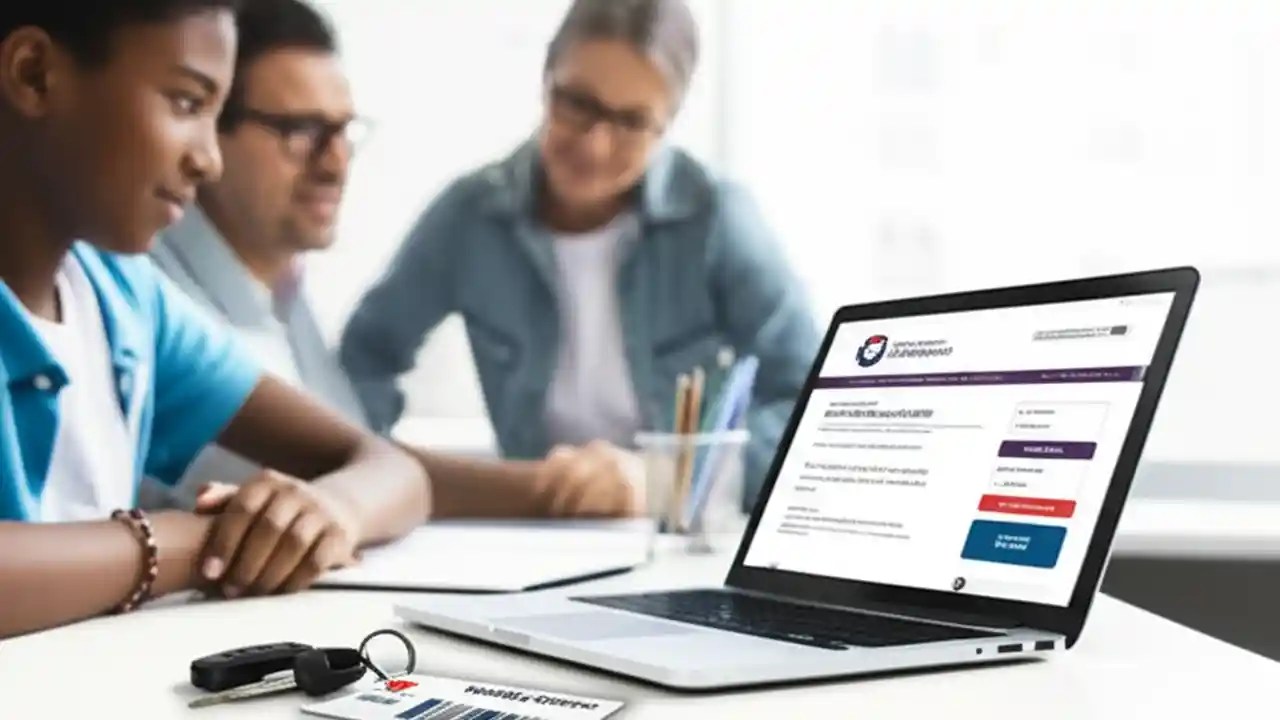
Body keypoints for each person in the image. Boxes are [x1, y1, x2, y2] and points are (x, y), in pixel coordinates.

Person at [0, 0, 426, 639]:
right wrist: (195, 544)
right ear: (35, 75)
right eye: (185, 103)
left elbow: (388, 467)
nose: (209, 158)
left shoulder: (124, 301)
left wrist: (323, 512)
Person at [146, 0, 638, 519]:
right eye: (301, 131)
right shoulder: (156, 289)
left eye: (343, 132)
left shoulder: (284, 295)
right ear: (209, 128)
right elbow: (305, 477)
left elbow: (359, 457)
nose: (336, 163)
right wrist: (550, 488)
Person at [340, 0, 820, 509]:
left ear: (670, 120)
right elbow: (364, 356)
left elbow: (811, 405)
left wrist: (668, 481)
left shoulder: (716, 218)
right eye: (577, 104)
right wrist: (372, 474)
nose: (595, 145)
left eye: (632, 121)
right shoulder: (470, 217)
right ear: (546, 78)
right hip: (536, 526)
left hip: (677, 529)